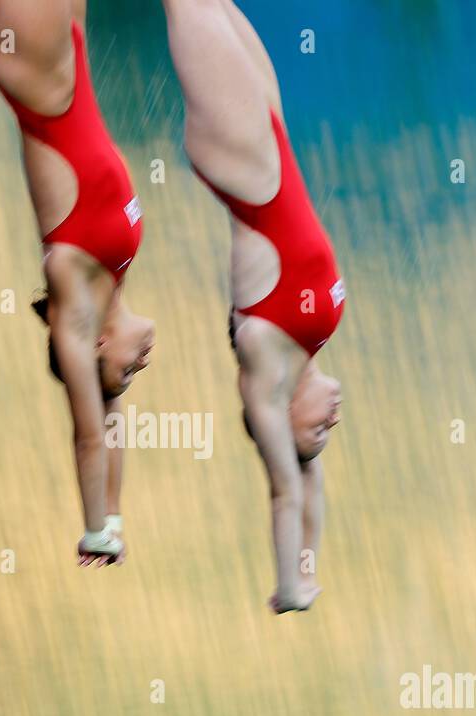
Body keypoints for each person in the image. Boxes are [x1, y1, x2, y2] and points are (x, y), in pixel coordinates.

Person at [163, 0, 344, 611]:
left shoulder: (266, 369)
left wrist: (289, 588)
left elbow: (287, 490)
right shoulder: (309, 347)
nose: (333, 419)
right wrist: (309, 567)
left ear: (282, 416)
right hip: (268, 141)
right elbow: (310, 486)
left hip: (241, 159)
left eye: (315, 430)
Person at [0, 0, 155, 566]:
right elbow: (109, 427)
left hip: (33, 66)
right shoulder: (113, 277)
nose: (142, 365)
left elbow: (89, 434)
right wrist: (119, 515)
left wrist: (97, 532)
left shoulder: (75, 301)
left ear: (95, 345)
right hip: (61, 53)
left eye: (125, 370)